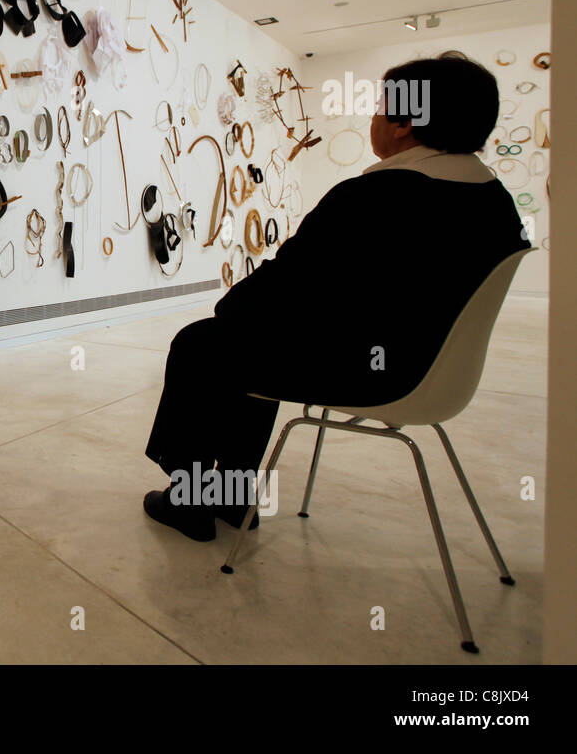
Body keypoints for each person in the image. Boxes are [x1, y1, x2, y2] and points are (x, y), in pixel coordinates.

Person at [143, 52, 531, 541]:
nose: (374, 118)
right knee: (250, 340)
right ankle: (232, 494)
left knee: (202, 343)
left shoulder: (374, 198)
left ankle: (192, 501)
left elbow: (279, 292)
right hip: (432, 371)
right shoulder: (495, 204)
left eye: (379, 106)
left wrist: (231, 306)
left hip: (371, 372)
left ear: (406, 123)